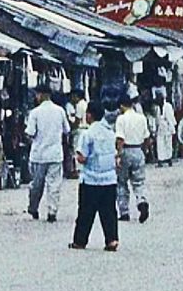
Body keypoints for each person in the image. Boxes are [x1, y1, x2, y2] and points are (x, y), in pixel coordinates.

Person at [70, 100, 120, 252]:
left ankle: (80, 241)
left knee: (85, 212)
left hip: (91, 179)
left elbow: (82, 157)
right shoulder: (111, 133)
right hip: (109, 179)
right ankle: (112, 239)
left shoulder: (87, 133)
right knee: (109, 212)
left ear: (89, 115)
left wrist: (77, 158)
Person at [25, 88, 68, 222]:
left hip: (38, 155)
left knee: (36, 184)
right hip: (55, 154)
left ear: (42, 94)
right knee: (54, 184)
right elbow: (67, 130)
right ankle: (52, 211)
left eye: (37, 94)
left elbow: (30, 132)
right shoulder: (60, 111)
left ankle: (33, 207)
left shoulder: (35, 112)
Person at [114, 95, 151, 223]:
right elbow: (147, 137)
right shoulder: (141, 118)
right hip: (138, 149)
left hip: (126, 150)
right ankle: (141, 200)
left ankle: (124, 211)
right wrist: (145, 151)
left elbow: (120, 139)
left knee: (121, 182)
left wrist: (118, 155)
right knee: (139, 181)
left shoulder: (121, 119)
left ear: (121, 106)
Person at [152, 92, 176, 166]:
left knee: (168, 143)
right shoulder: (157, 108)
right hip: (160, 128)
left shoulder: (168, 106)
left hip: (167, 127)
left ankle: (169, 158)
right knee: (160, 144)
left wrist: (172, 128)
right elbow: (156, 119)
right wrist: (155, 129)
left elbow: (170, 118)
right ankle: (160, 160)